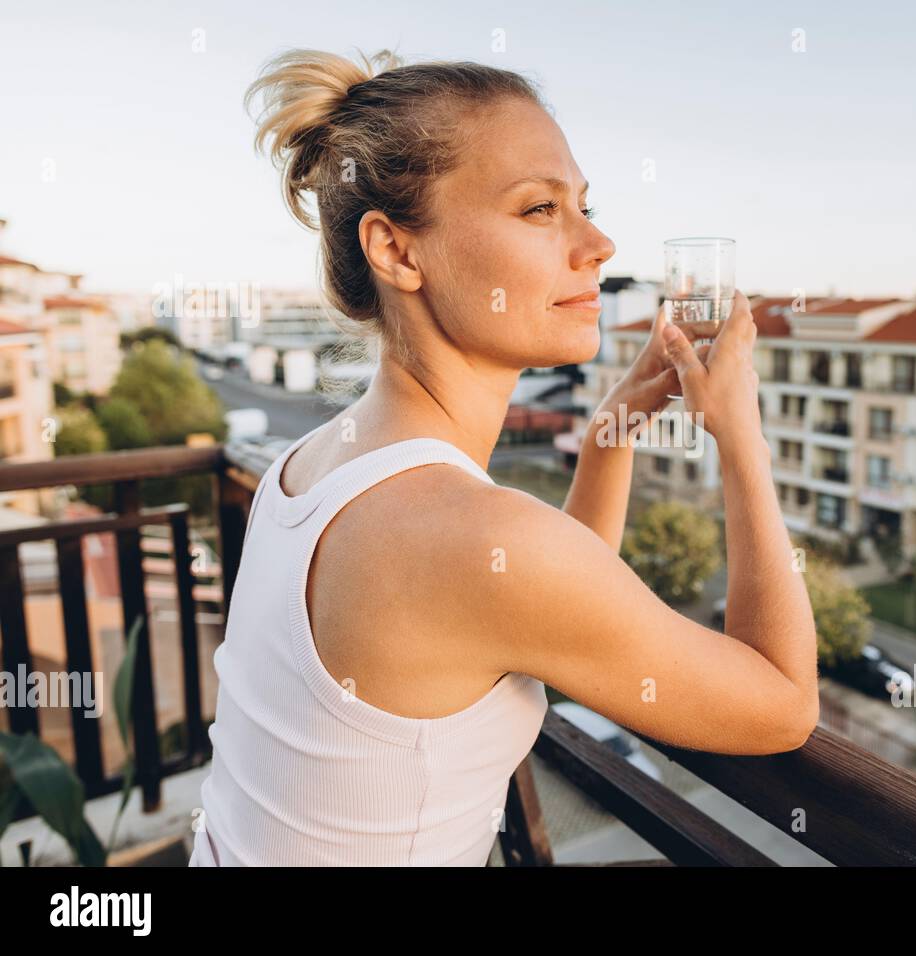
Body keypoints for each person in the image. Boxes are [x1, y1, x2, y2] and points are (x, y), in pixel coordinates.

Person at [189, 48, 818, 866]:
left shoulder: (305, 469)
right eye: (538, 210)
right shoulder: (467, 536)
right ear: (398, 251)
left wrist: (606, 438)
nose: (598, 243)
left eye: (584, 206)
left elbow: (548, 605)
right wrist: (743, 439)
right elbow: (782, 703)